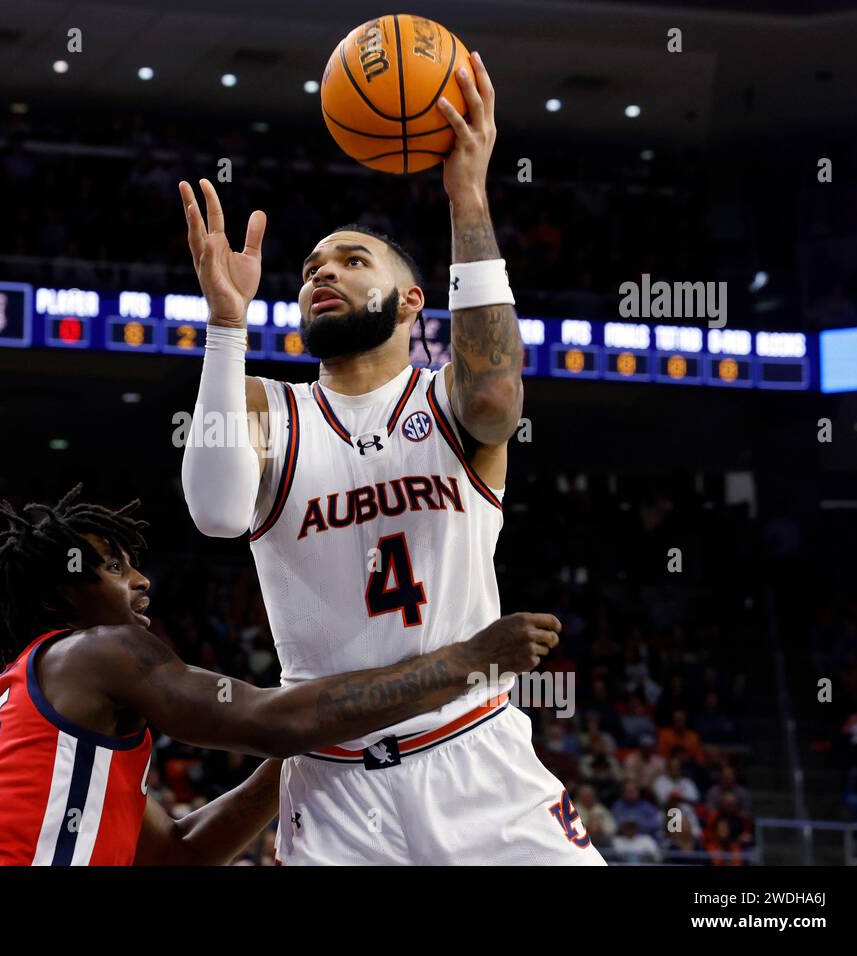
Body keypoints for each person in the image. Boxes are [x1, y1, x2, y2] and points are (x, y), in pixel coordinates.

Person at [176, 52, 603, 865]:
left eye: (351, 260)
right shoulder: (273, 408)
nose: (321, 273)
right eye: (308, 269)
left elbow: (496, 402)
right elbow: (216, 512)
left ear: (414, 301)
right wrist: (226, 324)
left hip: (474, 758)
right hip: (334, 794)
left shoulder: (449, 400)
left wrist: (467, 195)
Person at [0, 485, 559, 866]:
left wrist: (302, 758)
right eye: (114, 567)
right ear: (56, 601)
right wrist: (465, 663)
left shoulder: (14, 701)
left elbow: (175, 856)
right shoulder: (100, 652)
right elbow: (268, 720)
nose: (141, 581)